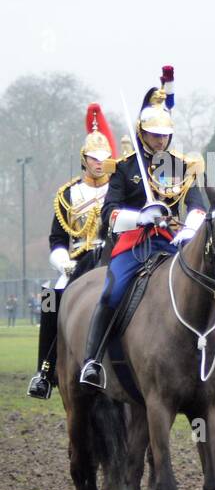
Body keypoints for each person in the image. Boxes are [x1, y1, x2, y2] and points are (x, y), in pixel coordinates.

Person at [80, 67, 209, 389]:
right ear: (142, 133)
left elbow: (197, 206)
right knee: (111, 293)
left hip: (171, 244)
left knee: (212, 288)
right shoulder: (125, 168)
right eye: (154, 134)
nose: (161, 139)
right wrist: (140, 217)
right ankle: (92, 361)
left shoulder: (182, 166)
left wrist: (187, 232)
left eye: (165, 134)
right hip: (135, 245)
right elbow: (109, 214)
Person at [28, 104, 116, 398]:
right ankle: (44, 370)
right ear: (84, 159)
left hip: (110, 257)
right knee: (51, 299)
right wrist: (63, 262)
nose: (99, 163)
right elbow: (57, 239)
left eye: (104, 158)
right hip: (77, 262)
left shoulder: (116, 189)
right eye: (94, 157)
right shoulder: (67, 194)